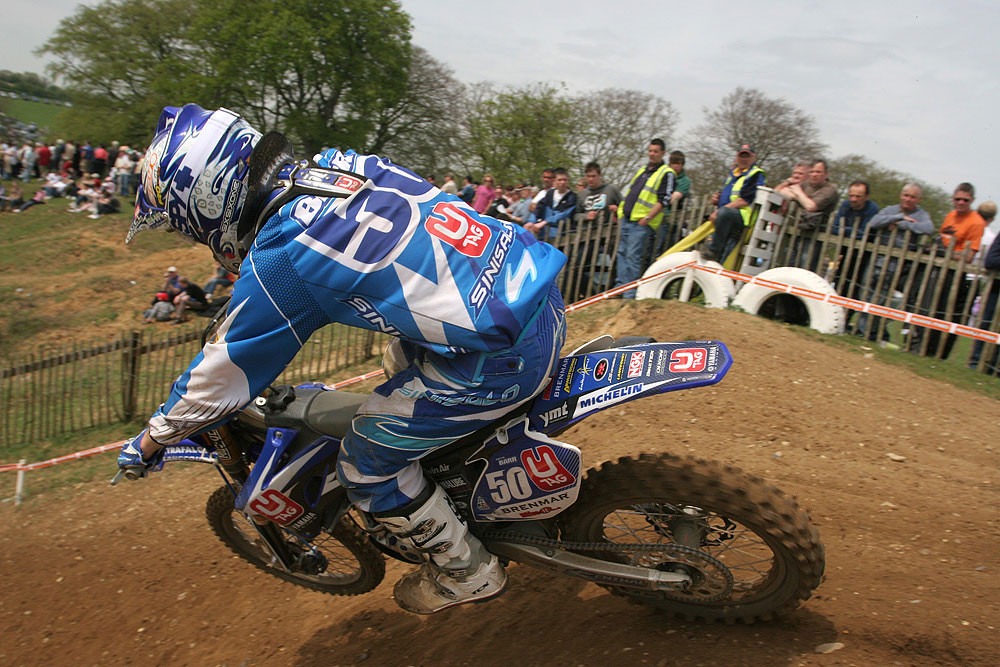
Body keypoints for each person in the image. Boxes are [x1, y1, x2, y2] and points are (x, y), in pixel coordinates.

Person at [115, 104, 567, 615]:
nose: (189, 238)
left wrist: (151, 439)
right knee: (397, 359)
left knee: (365, 462)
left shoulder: (285, 259)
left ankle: (469, 571)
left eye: (183, 228)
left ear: (205, 202)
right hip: (536, 294)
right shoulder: (343, 164)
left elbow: (223, 376)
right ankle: (471, 479)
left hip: (502, 359)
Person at [855, 183, 934, 343]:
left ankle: (870, 333)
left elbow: (928, 228)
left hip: (896, 266)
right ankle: (864, 331)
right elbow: (874, 222)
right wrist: (897, 217)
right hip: (877, 260)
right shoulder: (891, 209)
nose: (908, 199)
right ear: (901, 195)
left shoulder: (921, 214)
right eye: (906, 195)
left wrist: (903, 225)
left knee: (882, 300)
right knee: (866, 295)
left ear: (919, 199)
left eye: (912, 197)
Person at [924, 183, 986, 358]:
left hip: (957, 277)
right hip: (939, 270)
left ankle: (938, 354)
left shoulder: (976, 222)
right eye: (957, 199)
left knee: (946, 315)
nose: (960, 202)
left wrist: (944, 253)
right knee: (930, 310)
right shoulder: (950, 215)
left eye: (965, 200)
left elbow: (969, 256)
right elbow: (942, 241)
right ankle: (924, 349)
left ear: (972, 200)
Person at [614, 139, 675, 298]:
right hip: (627, 219)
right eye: (650, 151)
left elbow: (664, 200)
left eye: (656, 151)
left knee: (633, 257)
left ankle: (629, 293)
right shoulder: (643, 170)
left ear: (663, 153)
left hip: (641, 223)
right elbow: (631, 191)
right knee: (622, 254)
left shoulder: (666, 173)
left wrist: (647, 218)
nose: (652, 154)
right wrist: (621, 212)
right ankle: (619, 288)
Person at [703, 144, 765, 264]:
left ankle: (714, 250)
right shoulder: (733, 174)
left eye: (747, 156)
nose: (743, 159)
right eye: (741, 156)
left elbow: (745, 199)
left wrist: (719, 211)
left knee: (724, 213)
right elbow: (730, 194)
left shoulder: (755, 174)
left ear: (753, 158)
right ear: (737, 157)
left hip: (741, 217)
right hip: (726, 219)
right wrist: (718, 199)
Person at [780, 159, 839, 272]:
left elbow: (811, 206)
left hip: (814, 236)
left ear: (826, 174)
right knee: (787, 264)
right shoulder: (805, 185)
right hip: (795, 231)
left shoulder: (829, 190)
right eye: (812, 172)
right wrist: (801, 197)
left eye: (818, 172)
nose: (814, 174)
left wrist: (798, 193)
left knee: (805, 267)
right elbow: (783, 192)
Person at [648, 150, 691, 265]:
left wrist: (660, 201)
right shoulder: (664, 175)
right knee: (650, 250)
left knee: (663, 251)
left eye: (678, 163)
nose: (676, 166)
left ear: (682, 165)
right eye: (673, 163)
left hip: (671, 221)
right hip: (655, 218)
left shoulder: (684, 181)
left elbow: (672, 199)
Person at [525, 167, 577, 240]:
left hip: (560, 233)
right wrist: (531, 221)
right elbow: (539, 207)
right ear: (554, 180)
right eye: (559, 180)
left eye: (565, 180)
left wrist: (544, 222)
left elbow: (564, 214)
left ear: (568, 180)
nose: (562, 182)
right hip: (543, 233)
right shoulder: (550, 193)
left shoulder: (572, 197)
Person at [576, 161, 621, 227]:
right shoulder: (582, 194)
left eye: (593, 176)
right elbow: (575, 216)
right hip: (587, 230)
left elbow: (625, 207)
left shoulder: (611, 189)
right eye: (588, 176)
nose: (591, 179)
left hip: (607, 229)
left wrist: (617, 209)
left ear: (599, 175)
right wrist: (586, 216)